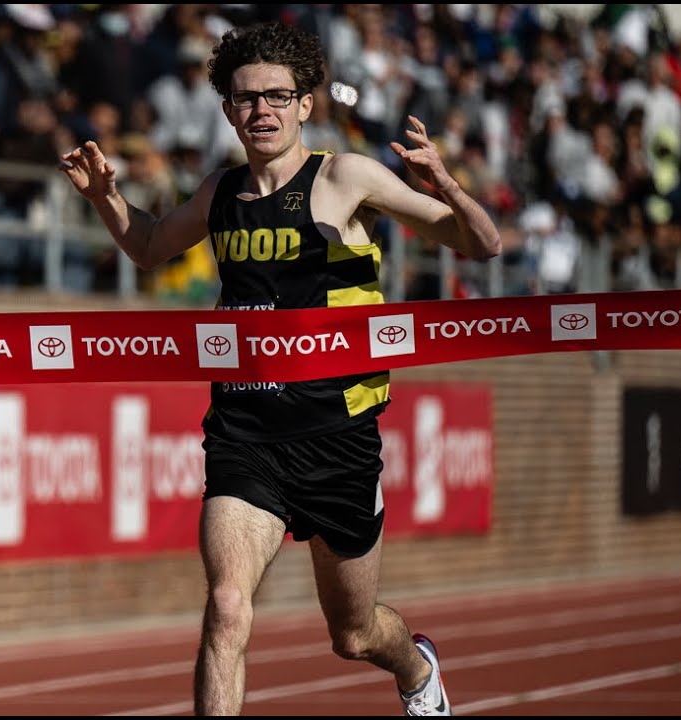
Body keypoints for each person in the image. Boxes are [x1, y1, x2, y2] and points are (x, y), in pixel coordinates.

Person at [59, 20, 500, 716]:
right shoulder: (220, 192)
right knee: (228, 606)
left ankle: (416, 668)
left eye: (275, 95)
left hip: (338, 437)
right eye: (244, 99)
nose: (260, 110)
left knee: (353, 636)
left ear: (304, 104)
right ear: (229, 110)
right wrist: (104, 199)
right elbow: (148, 245)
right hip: (245, 431)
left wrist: (445, 183)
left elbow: (481, 242)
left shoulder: (345, 177)